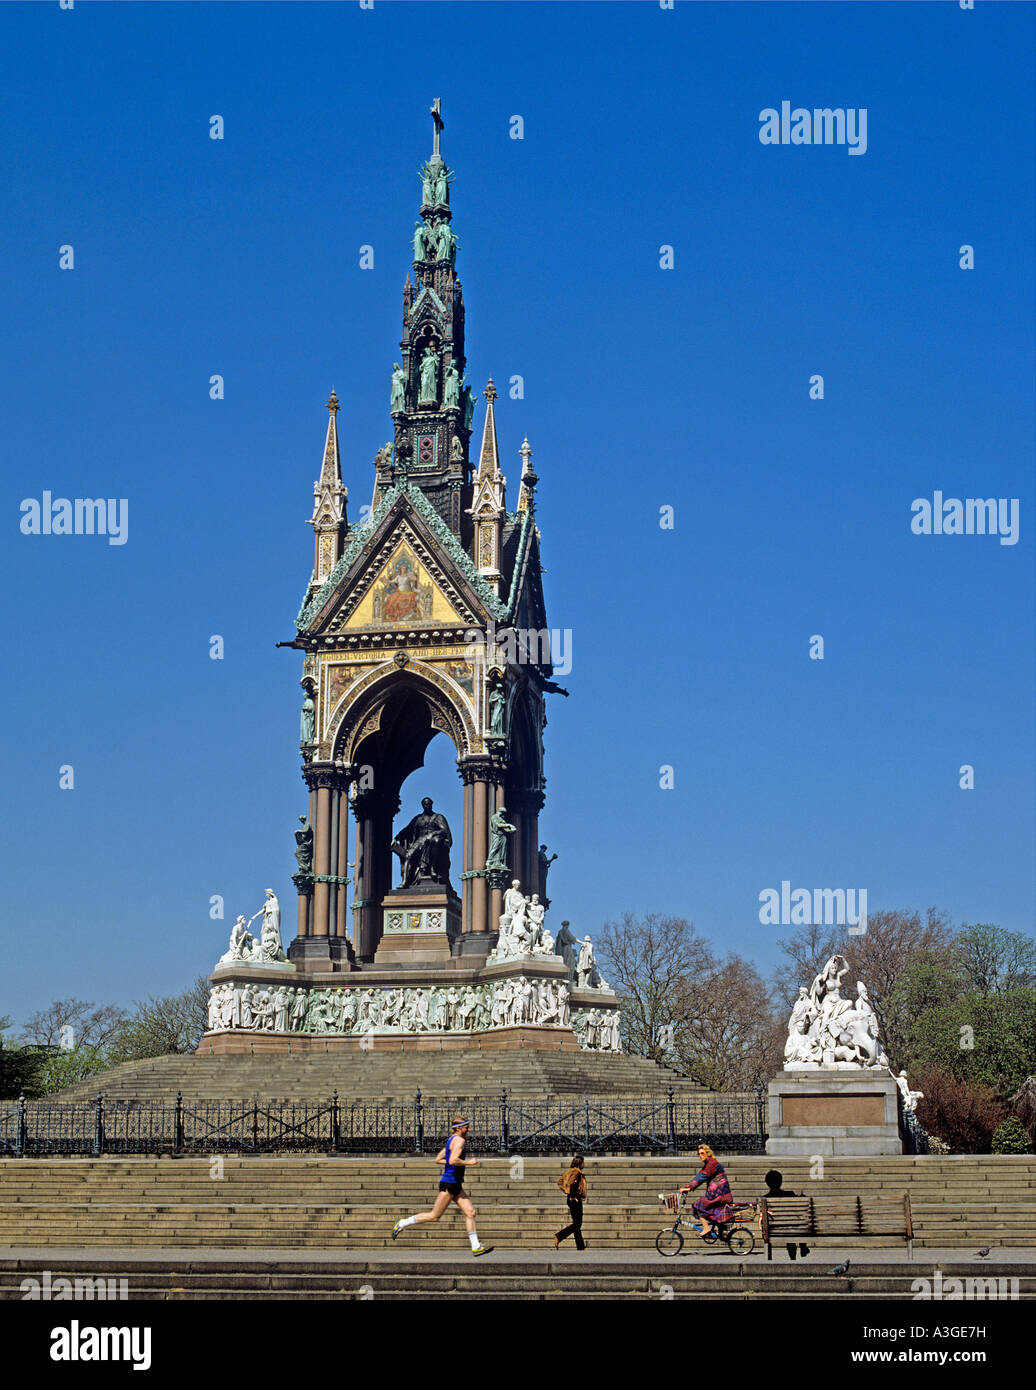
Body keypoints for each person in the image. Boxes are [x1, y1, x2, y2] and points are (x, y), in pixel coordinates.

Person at [391, 1117, 489, 1257]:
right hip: (449, 1183)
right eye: (466, 1127)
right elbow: (452, 1160)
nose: (468, 1129)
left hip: (455, 1183)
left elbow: (438, 1159)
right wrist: (469, 1163)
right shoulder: (460, 1141)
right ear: (458, 1128)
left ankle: (476, 1246)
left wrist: (451, 1164)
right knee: (434, 1216)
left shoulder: (451, 1140)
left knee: (471, 1212)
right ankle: (402, 1223)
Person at [680, 1144, 736, 1241]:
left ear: (708, 1153)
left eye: (702, 1153)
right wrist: (688, 1187)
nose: (700, 1155)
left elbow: (702, 1177)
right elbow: (699, 1175)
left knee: (698, 1205)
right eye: (699, 1154)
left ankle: (706, 1229)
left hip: (719, 1195)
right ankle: (720, 1227)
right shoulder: (709, 1164)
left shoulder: (712, 1164)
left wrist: (689, 1188)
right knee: (707, 1209)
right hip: (718, 1194)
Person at [760, 1168, 809, 1260]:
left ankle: (796, 1253)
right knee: (795, 1224)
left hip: (773, 1230)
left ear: (767, 1183)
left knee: (787, 1227)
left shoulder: (764, 1198)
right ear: (781, 1181)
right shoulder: (790, 1194)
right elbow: (802, 1204)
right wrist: (801, 1196)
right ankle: (802, 1247)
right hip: (792, 1227)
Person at [554, 1154, 587, 1251]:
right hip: (575, 1199)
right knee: (577, 1224)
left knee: (577, 1224)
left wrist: (567, 1192)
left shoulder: (569, 1172)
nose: (584, 1164)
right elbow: (572, 1184)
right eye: (583, 1162)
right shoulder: (576, 1172)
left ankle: (581, 1247)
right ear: (579, 1163)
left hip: (571, 1199)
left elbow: (560, 1182)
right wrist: (572, 1195)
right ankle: (559, 1236)